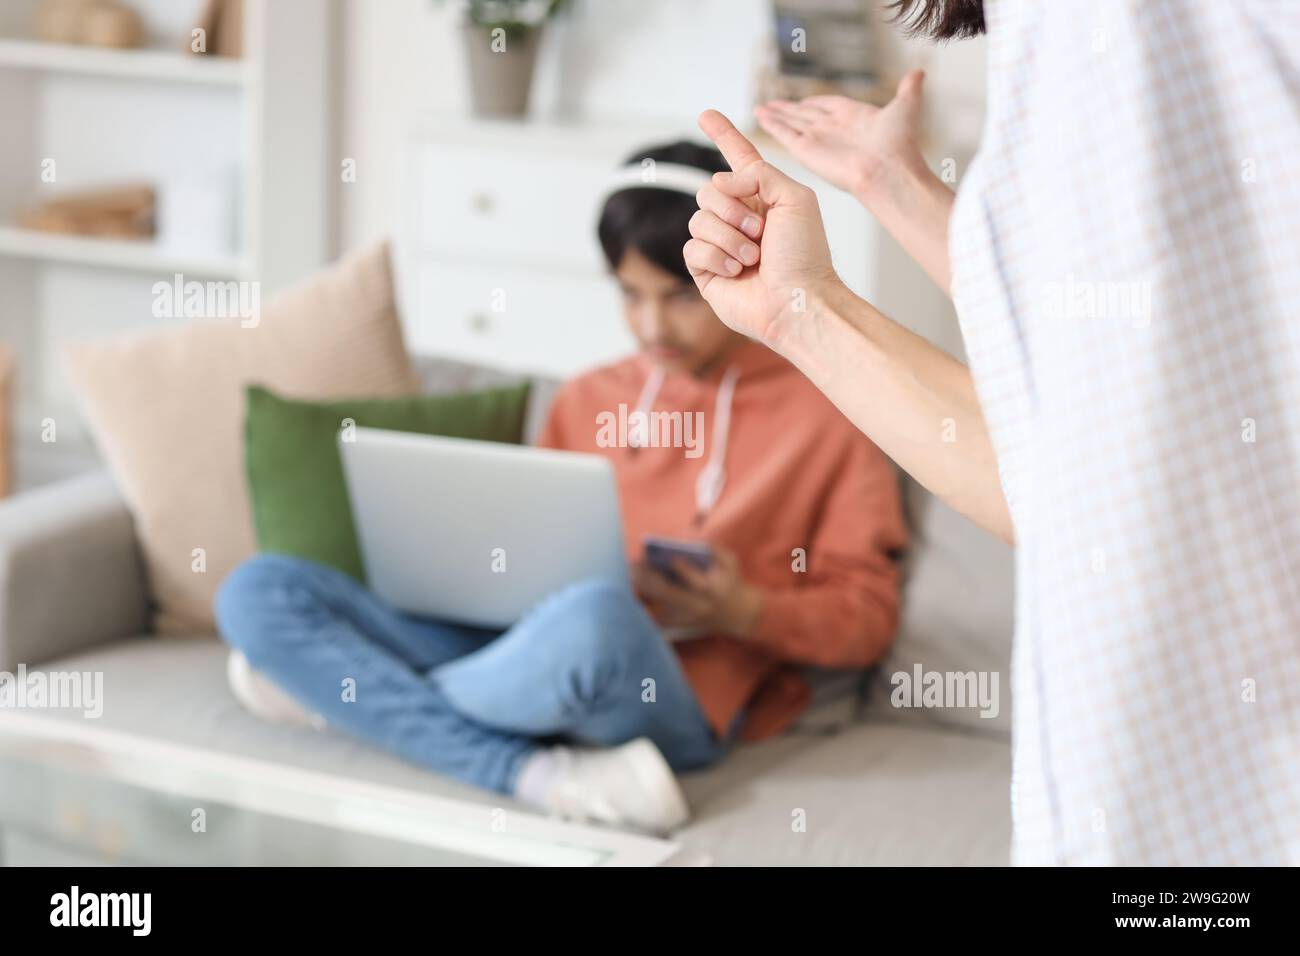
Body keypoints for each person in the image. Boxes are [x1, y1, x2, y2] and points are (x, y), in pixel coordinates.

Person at [685, 0, 1300, 864]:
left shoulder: (1111, 30)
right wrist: (864, 222)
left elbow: (1106, 499)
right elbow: (1094, 396)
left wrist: (807, 308)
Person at [215, 141, 907, 835]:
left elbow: (867, 620)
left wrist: (745, 610)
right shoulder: (588, 396)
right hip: (518, 654)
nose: (651, 326)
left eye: (679, 298)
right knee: (259, 589)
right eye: (630, 295)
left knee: (596, 617)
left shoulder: (832, 415)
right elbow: (523, 560)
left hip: (664, 687)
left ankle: (343, 698)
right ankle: (535, 772)